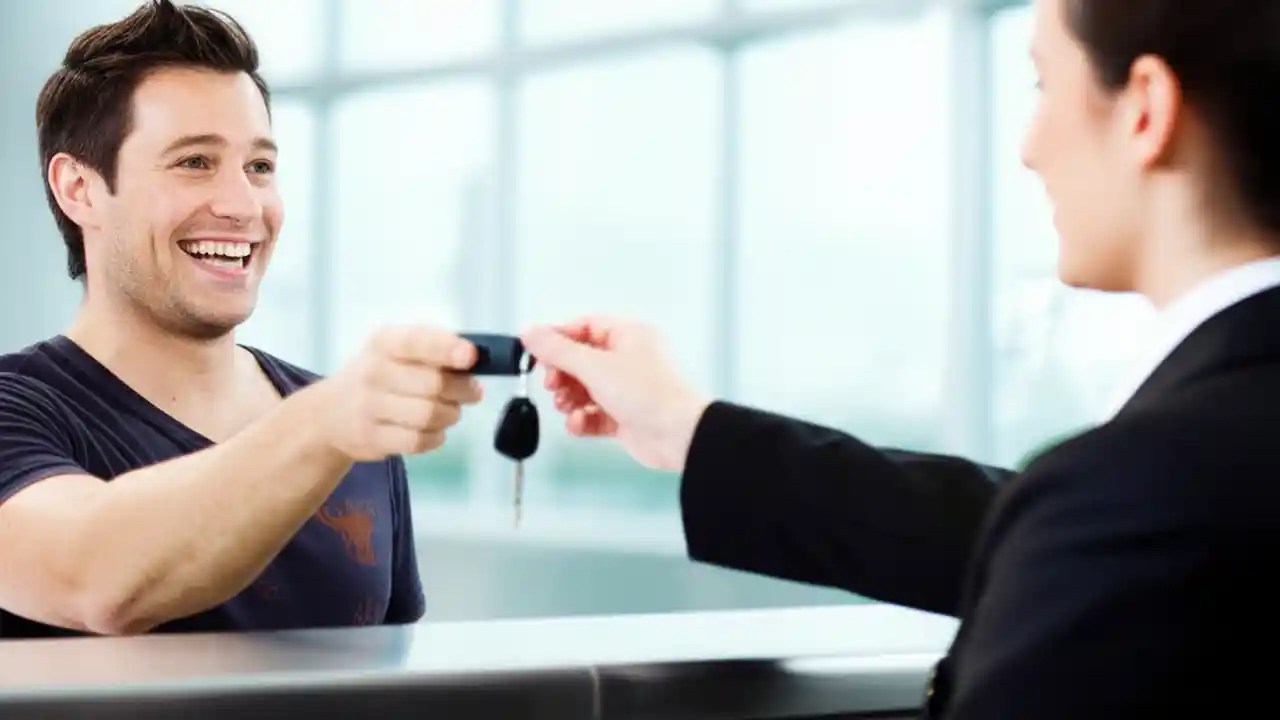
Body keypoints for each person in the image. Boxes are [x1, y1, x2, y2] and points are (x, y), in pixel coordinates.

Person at [523, 0, 1280, 716]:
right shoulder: (1177, 474)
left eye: (1044, 84)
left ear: (1145, 107)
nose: (1028, 148)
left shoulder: (1136, 492)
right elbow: (1032, 532)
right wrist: (690, 432)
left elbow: (1103, 532)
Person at [0, 0, 483, 638]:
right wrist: (327, 421)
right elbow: (91, 576)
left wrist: (334, 419)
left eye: (259, 167)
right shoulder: (18, 411)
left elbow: (395, 675)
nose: (242, 205)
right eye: (194, 162)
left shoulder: (354, 436)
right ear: (79, 189)